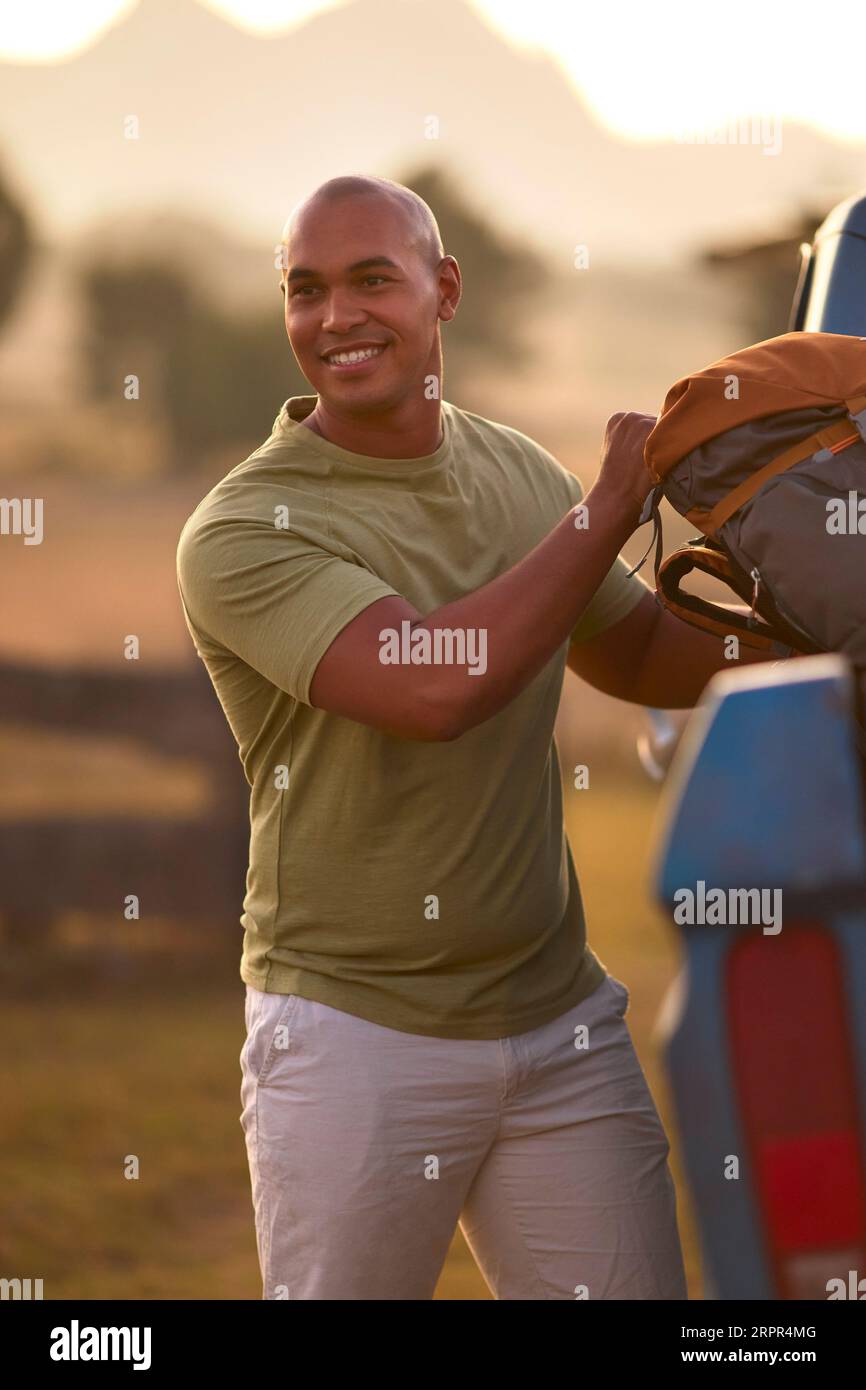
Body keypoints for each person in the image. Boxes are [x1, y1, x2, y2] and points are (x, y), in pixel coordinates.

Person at [176, 174, 776, 1300]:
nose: (335, 316)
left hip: (557, 1024)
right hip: (354, 1039)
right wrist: (605, 507)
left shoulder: (514, 472)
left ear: (442, 290)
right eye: (305, 290)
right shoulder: (243, 528)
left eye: (371, 280)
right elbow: (434, 685)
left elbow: (640, 654)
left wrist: (823, 648)